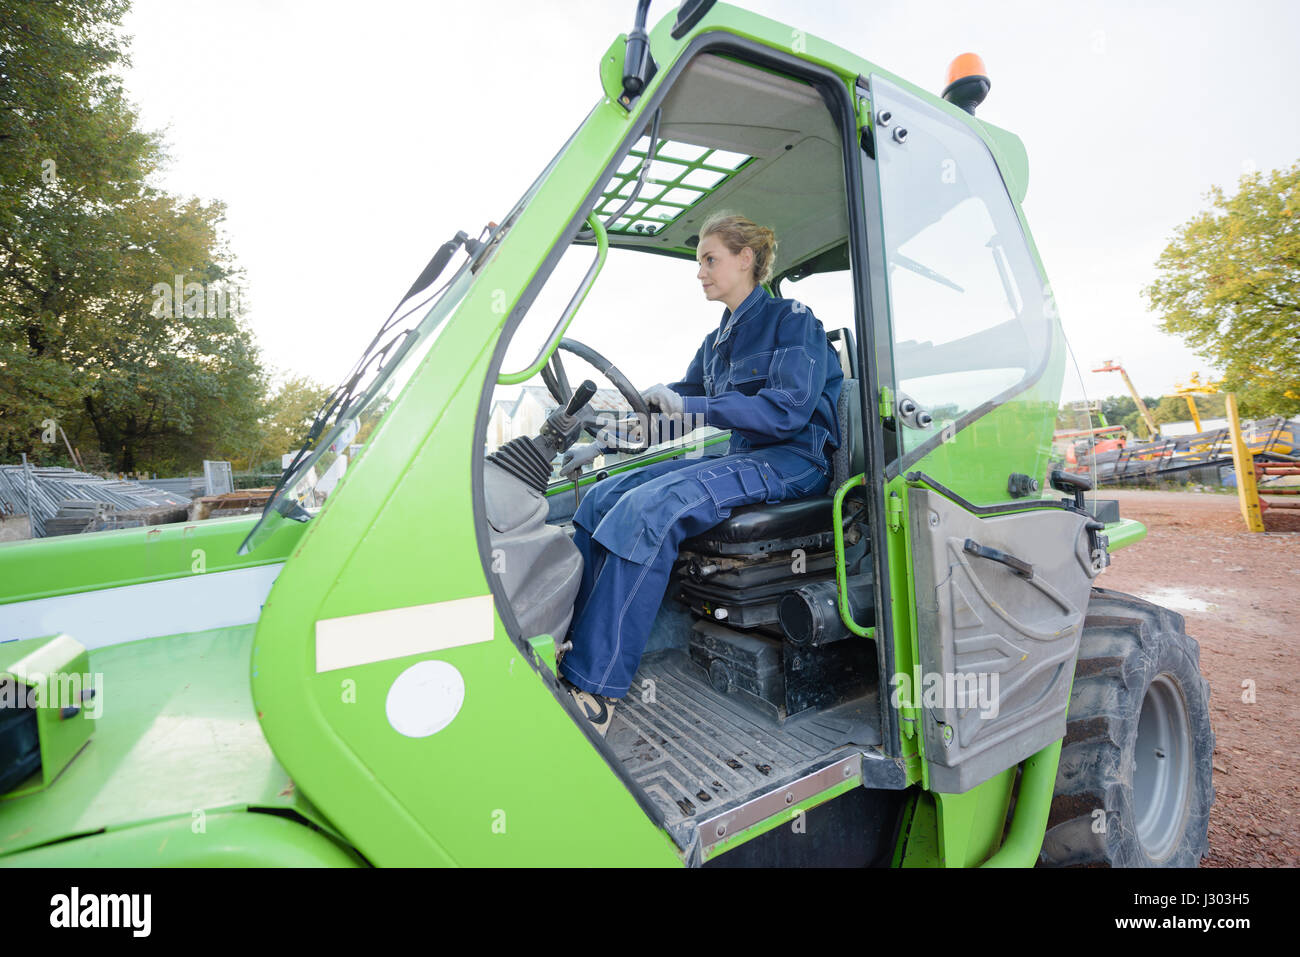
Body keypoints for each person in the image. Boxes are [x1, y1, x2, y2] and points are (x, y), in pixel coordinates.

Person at [556, 212, 843, 735]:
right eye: (700, 262)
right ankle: (569, 645)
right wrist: (602, 441)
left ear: (745, 259)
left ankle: (595, 690)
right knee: (600, 501)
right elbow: (675, 411)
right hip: (744, 456)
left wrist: (702, 406)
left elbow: (786, 412)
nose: (700, 272)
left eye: (709, 259)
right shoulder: (716, 344)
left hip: (794, 461)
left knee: (653, 509)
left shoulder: (792, 321)